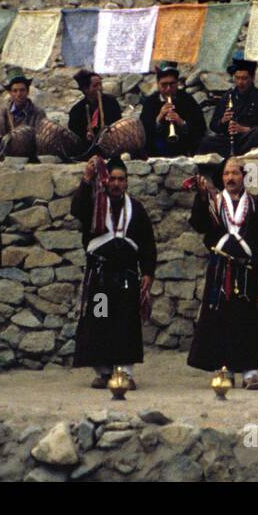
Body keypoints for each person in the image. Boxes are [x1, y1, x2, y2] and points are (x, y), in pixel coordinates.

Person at [184, 157, 258, 389]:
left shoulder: (257, 205)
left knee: (248, 320)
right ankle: (223, 368)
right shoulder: (214, 202)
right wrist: (200, 198)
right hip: (220, 270)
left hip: (249, 271)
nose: (230, 178)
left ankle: (249, 372)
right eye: (226, 174)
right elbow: (199, 225)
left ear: (244, 176)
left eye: (235, 173)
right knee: (219, 318)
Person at [71, 155, 158, 389]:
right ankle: (104, 371)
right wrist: (86, 179)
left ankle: (126, 373)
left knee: (126, 322)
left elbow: (148, 243)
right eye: (113, 179)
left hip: (127, 279)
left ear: (127, 182)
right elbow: (76, 209)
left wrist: (148, 272)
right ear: (106, 180)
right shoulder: (93, 202)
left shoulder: (136, 209)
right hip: (100, 279)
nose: (117, 183)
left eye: (121, 179)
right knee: (100, 320)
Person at [199, 57, 258, 156]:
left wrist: (245, 129)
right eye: (237, 78)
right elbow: (213, 126)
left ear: (252, 78)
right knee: (205, 141)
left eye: (244, 78)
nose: (240, 82)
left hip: (249, 136)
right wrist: (223, 121)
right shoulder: (228, 96)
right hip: (229, 140)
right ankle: (237, 151)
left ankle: (238, 151)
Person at [138, 64, 207, 157]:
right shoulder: (150, 102)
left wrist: (182, 123)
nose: (168, 89)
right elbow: (143, 131)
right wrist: (159, 118)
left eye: (172, 84)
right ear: (158, 84)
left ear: (177, 83)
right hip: (157, 149)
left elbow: (201, 127)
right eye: (164, 85)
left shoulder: (186, 99)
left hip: (183, 147)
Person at [0, 74, 43, 158]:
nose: (19, 94)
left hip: (30, 154)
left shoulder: (38, 113)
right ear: (10, 93)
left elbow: (41, 139)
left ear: (27, 92)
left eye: (22, 90)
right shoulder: (2, 113)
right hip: (7, 155)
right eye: (15, 91)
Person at [67, 69, 122, 150]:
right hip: (88, 148)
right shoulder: (77, 110)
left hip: (111, 145)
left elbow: (118, 123)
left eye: (100, 84)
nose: (99, 88)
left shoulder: (111, 102)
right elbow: (74, 133)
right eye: (95, 86)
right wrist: (86, 135)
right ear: (86, 89)